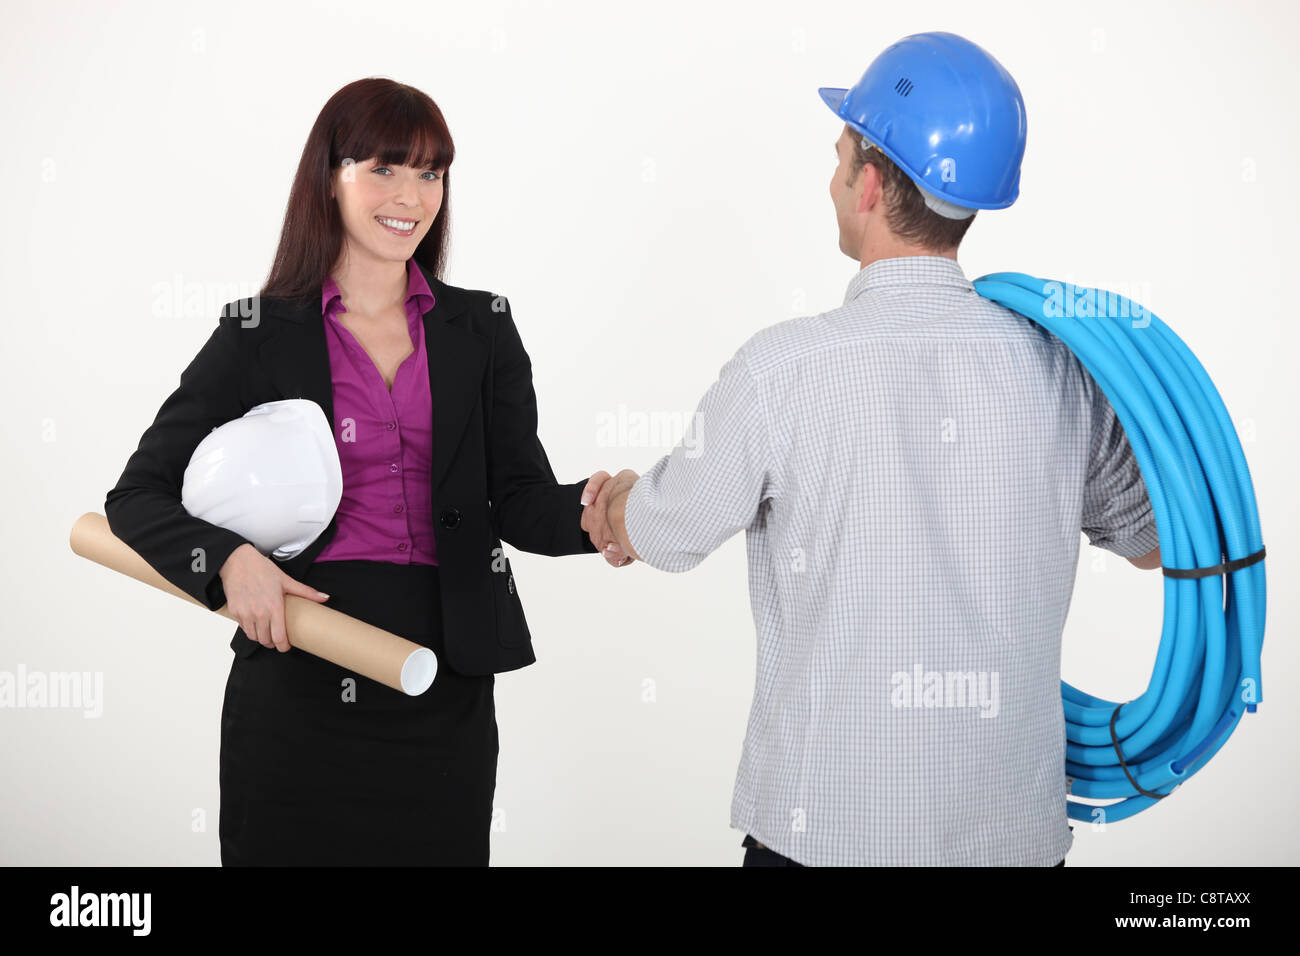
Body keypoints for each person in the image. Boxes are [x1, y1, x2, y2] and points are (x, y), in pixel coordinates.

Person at [583, 32, 1163, 866]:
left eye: (839, 155)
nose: (830, 180)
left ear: (870, 180)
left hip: (824, 839)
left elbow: (663, 531)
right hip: (1012, 841)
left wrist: (613, 504)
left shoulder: (782, 369)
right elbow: (1154, 546)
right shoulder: (1064, 370)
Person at [104, 77, 629, 866]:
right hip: (299, 671)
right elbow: (135, 496)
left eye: (430, 172)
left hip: (441, 679)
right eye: (384, 168)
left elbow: (518, 501)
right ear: (331, 176)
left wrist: (601, 513)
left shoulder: (481, 328)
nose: (410, 195)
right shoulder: (257, 333)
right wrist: (227, 564)